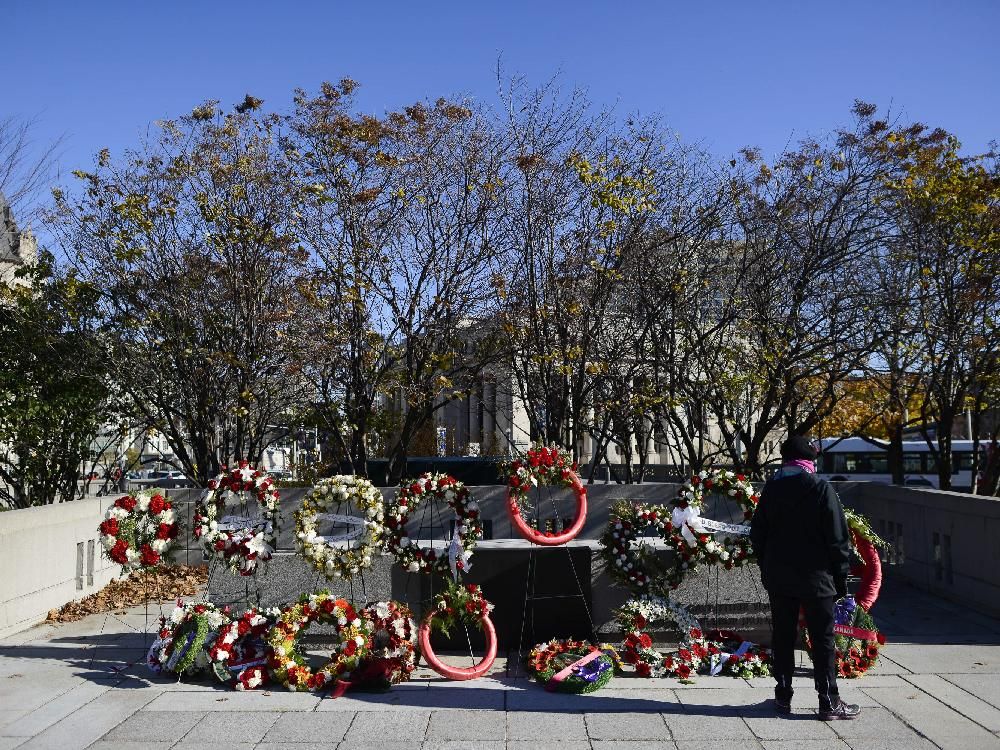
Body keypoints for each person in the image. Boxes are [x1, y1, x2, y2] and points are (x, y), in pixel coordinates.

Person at [750, 435, 860, 720]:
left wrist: (767, 567)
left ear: (786, 460)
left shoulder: (772, 489)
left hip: (780, 577)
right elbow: (838, 539)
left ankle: (783, 697)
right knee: (822, 639)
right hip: (818, 578)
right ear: (810, 460)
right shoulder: (821, 488)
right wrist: (841, 579)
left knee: (784, 637)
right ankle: (828, 701)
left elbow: (757, 535)